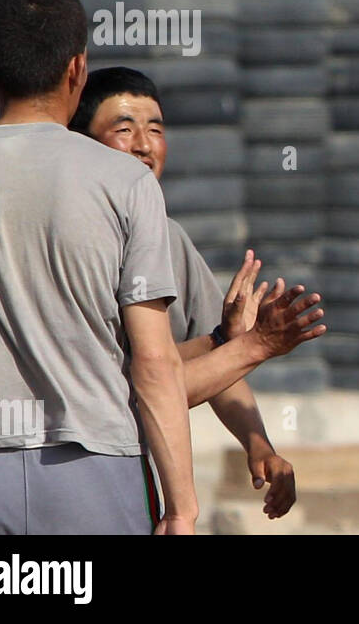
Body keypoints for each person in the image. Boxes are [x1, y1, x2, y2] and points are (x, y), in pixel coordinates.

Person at [0, 0, 195, 534]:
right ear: (78, 68)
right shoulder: (125, 182)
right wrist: (180, 509)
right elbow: (154, 363)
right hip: (93, 464)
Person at [70, 66, 320, 520]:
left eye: (155, 129)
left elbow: (196, 366)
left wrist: (257, 442)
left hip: (128, 466)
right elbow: (136, 382)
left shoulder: (169, 240)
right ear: (80, 143)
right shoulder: (69, 235)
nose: (144, 145)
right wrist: (251, 345)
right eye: (124, 129)